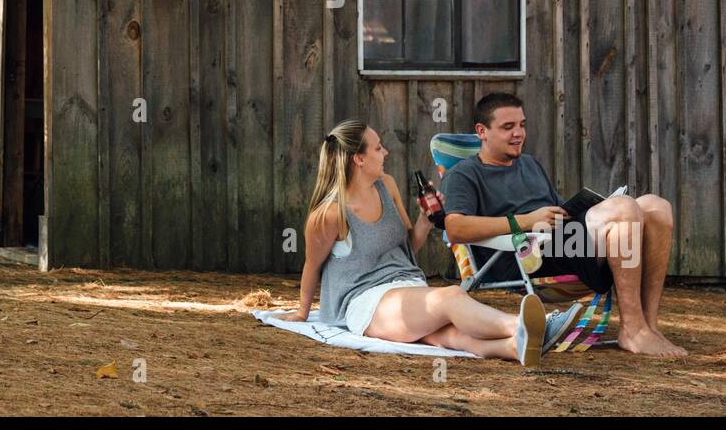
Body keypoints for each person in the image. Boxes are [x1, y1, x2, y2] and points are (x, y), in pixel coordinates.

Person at [278, 119, 580, 367]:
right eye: (379, 148)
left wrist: (424, 219)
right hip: (364, 302)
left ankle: (515, 346)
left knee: (448, 335)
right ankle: (528, 325)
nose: (386, 153)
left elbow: (408, 247)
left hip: (407, 285)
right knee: (449, 298)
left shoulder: (386, 186)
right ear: (358, 159)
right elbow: (312, 265)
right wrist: (302, 313)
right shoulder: (329, 213)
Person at [441, 92, 687, 357]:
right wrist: (526, 221)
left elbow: (560, 212)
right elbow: (456, 228)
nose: (519, 133)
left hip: (564, 241)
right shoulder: (464, 174)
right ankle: (632, 329)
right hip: (525, 254)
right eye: (508, 127)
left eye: (522, 125)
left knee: (656, 207)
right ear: (482, 131)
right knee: (625, 208)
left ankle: (648, 325)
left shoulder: (529, 164)